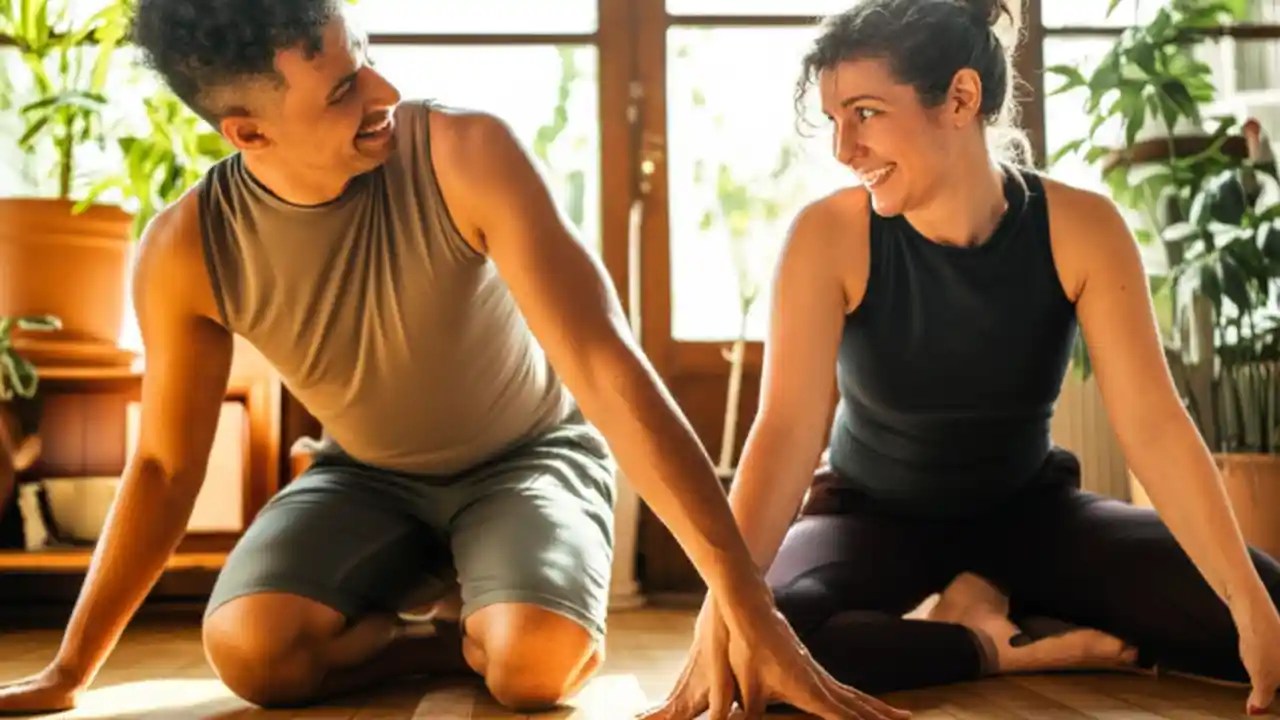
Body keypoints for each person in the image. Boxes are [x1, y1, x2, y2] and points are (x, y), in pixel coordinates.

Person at [0, 1, 911, 718]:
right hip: (365, 478)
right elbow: (163, 464)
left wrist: (750, 610)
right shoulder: (188, 248)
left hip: (530, 458)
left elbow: (603, 362)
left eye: (362, 57)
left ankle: (490, 614)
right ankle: (443, 632)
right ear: (247, 134)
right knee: (249, 655)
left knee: (532, 670)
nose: (382, 89)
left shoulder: (463, 150)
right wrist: (71, 668)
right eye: (341, 90)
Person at [646, 0, 1280, 718]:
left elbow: (1154, 426)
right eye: (834, 120)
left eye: (864, 113)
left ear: (960, 98)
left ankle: (1001, 596)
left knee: (1269, 609)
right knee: (775, 648)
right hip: (872, 516)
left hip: (1034, 516)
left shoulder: (1081, 229)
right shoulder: (829, 237)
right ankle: (994, 644)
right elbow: (787, 432)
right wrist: (727, 604)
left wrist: (1247, 603)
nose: (843, 149)